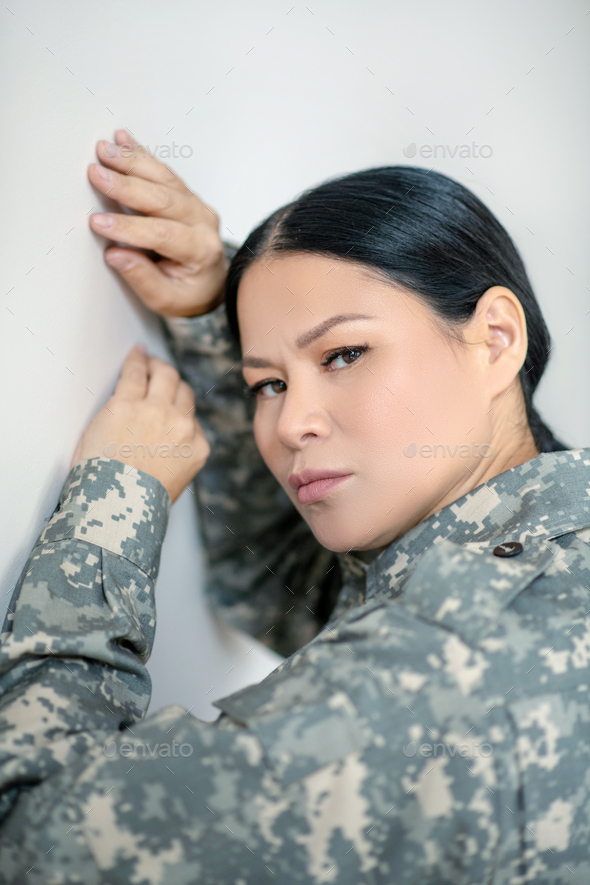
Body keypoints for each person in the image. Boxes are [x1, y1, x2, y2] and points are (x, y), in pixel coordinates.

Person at [0, 129, 589, 885]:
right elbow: (279, 580)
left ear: (497, 339)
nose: (287, 425)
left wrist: (110, 510)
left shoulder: (434, 676)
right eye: (267, 384)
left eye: (344, 354)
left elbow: (25, 845)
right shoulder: (536, 552)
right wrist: (219, 306)